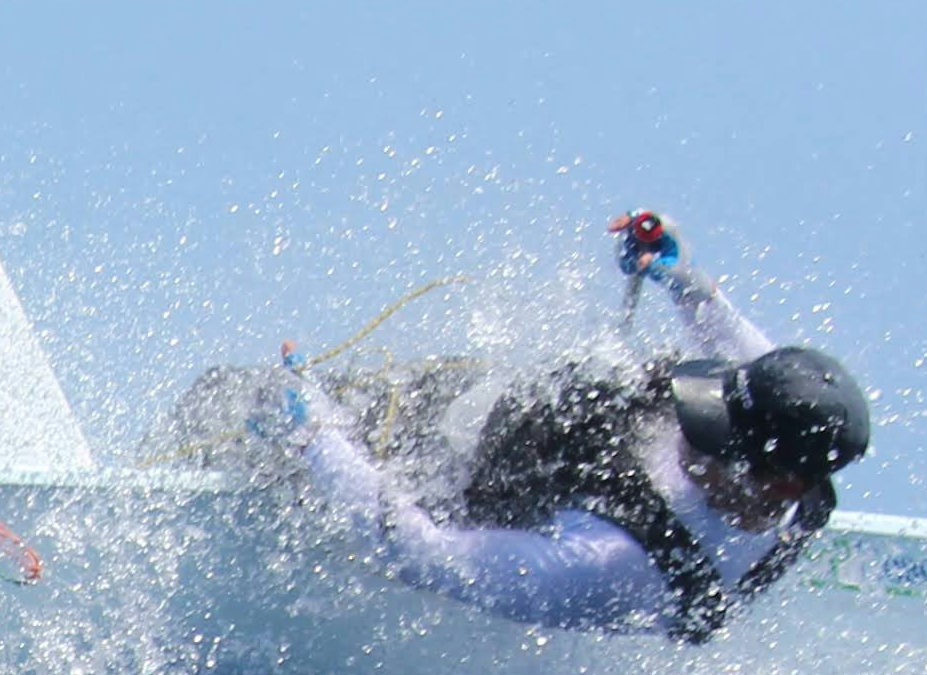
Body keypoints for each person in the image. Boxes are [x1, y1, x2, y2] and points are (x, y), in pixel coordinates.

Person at [258, 213, 875, 640]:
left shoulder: (613, 566)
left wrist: (318, 436)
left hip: (445, 464)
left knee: (247, 398)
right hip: (507, 407)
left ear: (774, 486)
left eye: (710, 434)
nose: (692, 429)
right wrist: (680, 279)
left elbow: (421, 555)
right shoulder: (801, 460)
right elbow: (753, 360)